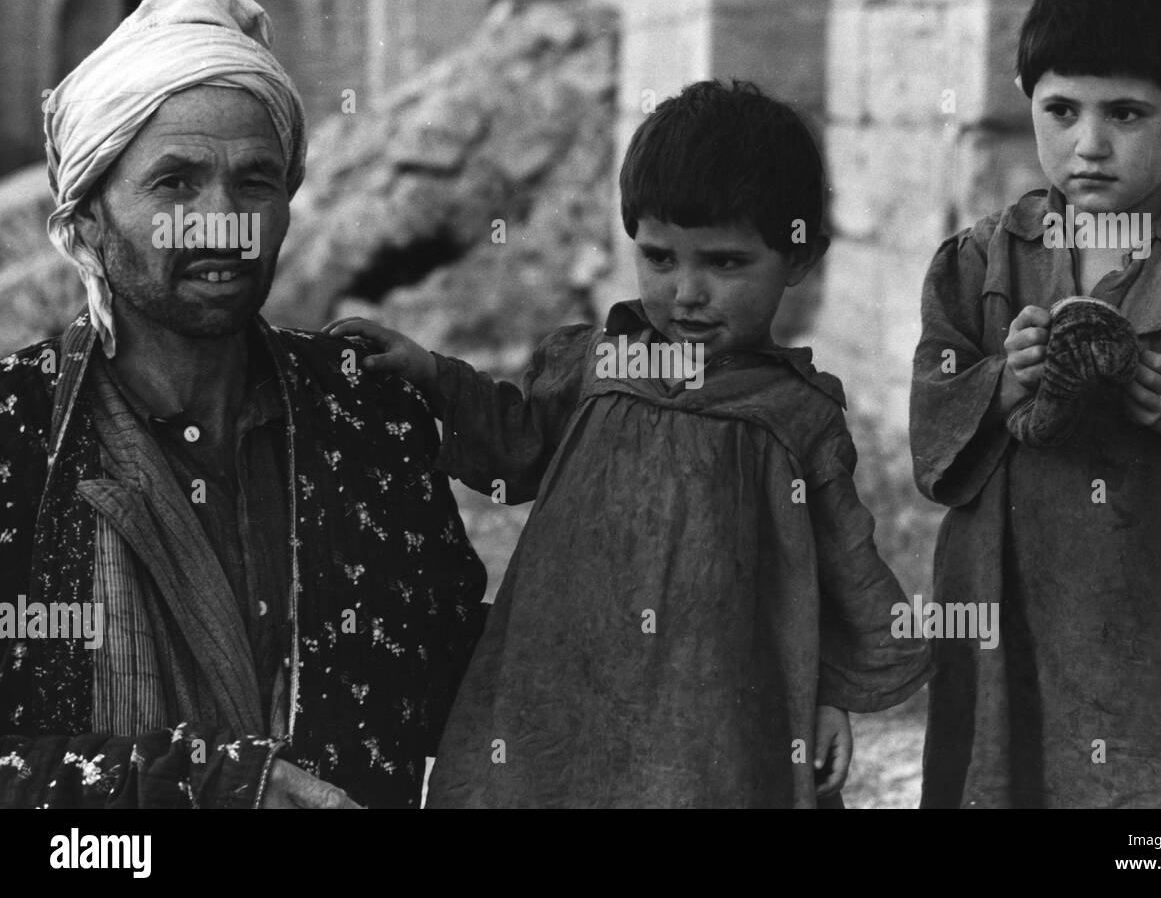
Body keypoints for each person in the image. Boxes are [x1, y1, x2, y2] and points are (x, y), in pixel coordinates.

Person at [329, 80, 932, 807]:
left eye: (726, 262)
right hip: (562, 674)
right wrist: (432, 375)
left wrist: (827, 693)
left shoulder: (796, 416)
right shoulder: (602, 364)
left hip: (712, 706)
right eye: (660, 258)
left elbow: (838, 562)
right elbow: (515, 441)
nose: (688, 292)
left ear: (799, 260)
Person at [0, 0, 486, 809]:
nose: (223, 221)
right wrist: (209, 785)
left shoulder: (368, 418)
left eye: (255, 181)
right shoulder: (18, 439)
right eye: (176, 184)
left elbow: (466, 683)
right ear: (86, 220)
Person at [911, 0, 1161, 808]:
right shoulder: (979, 262)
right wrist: (1004, 381)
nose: (1089, 145)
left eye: (1126, 112)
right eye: (1062, 109)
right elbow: (933, 424)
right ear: (1028, 101)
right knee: (1014, 767)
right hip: (1017, 587)